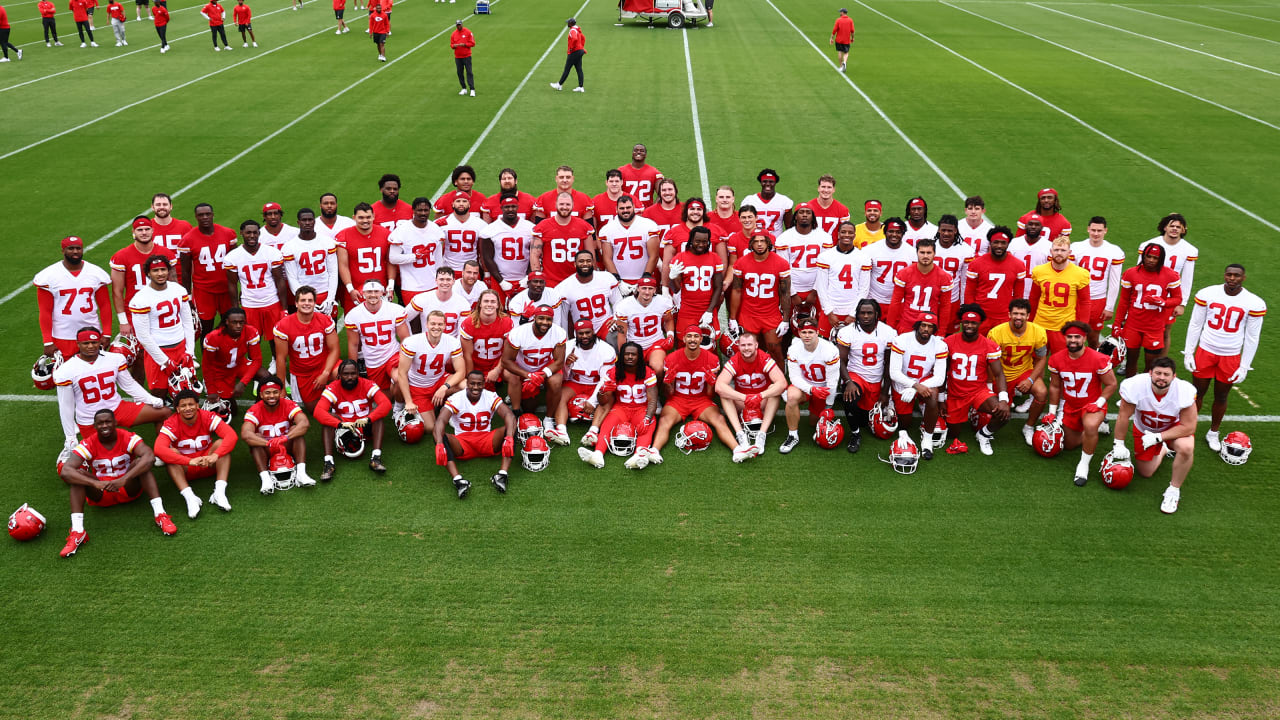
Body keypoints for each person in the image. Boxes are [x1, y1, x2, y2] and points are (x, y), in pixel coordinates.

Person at [58, 409, 178, 557]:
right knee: (78, 476)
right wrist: (96, 484)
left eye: (108, 421)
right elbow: (66, 471)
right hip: (101, 492)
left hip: (127, 487)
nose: (104, 425)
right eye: (100, 423)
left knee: (141, 464)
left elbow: (149, 457)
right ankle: (78, 531)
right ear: (94, 426)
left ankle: (161, 514)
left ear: (115, 422)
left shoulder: (127, 437)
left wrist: (125, 479)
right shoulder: (88, 443)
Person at [1183, 264, 1265, 452]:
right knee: (1197, 393)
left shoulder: (1253, 302)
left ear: (1243, 278)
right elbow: (1195, 323)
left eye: (1237, 275)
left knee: (1221, 395)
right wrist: (1189, 351)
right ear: (1224, 275)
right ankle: (1189, 429)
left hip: (1230, 355)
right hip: (1206, 350)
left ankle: (1213, 432)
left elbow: (1253, 337)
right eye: (1229, 274)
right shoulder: (1208, 294)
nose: (1232, 278)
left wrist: (1244, 365)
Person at [54, 327, 169, 452]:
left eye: (94, 342)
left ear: (100, 342)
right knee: (106, 457)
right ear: (78, 344)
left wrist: (150, 399)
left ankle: (162, 452)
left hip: (117, 408)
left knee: (164, 413)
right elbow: (66, 406)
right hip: (90, 418)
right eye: (86, 343)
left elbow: (129, 385)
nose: (91, 346)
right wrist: (70, 436)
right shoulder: (66, 370)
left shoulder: (114, 359)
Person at [1112, 357, 1196, 514]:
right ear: (1150, 373)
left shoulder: (1184, 391)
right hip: (1144, 430)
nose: (1162, 378)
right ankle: (1163, 449)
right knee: (1146, 472)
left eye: (1166, 374)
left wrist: (1158, 437)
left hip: (1173, 430)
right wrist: (1119, 443)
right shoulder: (1135, 385)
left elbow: (1189, 427)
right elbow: (1123, 416)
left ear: (1174, 376)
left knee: (1186, 447)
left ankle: (1173, 491)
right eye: (1158, 373)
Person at [648, 326, 737, 463]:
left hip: (701, 400)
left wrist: (711, 383)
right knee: (665, 421)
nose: (692, 339)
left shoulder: (712, 359)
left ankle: (737, 449)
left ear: (701, 339)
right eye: (689, 336)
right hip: (678, 399)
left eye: (696, 336)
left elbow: (709, 395)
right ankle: (654, 450)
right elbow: (668, 395)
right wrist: (668, 383)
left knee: (719, 419)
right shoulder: (672, 358)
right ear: (683, 339)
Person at [1043, 322, 1117, 486]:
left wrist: (1099, 403)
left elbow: (1112, 384)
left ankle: (1083, 465)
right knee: (1069, 445)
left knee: (1089, 425)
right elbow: (1055, 386)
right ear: (1065, 338)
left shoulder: (1097, 359)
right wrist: (1052, 412)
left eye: (1077, 337)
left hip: (1092, 404)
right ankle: (1100, 427)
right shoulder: (1056, 359)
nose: (1073, 340)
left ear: (1084, 338)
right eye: (1070, 337)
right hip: (1070, 406)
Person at [155, 389, 238, 518]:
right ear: (177, 409)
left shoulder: (207, 416)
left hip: (209, 463)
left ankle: (219, 492)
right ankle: (190, 497)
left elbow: (231, 436)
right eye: (183, 406)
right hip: (186, 468)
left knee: (222, 444)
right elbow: (159, 449)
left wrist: (214, 455)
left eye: (191, 404)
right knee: (171, 453)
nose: (188, 408)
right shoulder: (172, 423)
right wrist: (188, 461)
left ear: (197, 406)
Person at [434, 371, 518, 497]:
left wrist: (509, 437)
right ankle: (458, 480)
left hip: (487, 440)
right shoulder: (456, 398)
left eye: (479, 384)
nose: (475, 387)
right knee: (440, 435)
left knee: (512, 426)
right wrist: (440, 443)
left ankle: (502, 474)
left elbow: (508, 415)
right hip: (462, 443)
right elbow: (441, 421)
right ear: (467, 383)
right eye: (472, 383)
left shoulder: (490, 396)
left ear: (484, 384)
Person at [941, 305, 1011, 456]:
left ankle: (984, 434)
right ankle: (973, 413)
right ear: (961, 322)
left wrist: (1003, 399)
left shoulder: (988, 345)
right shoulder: (949, 342)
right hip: (955, 393)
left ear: (979, 324)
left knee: (1003, 414)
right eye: (966, 322)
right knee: (953, 433)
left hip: (978, 391)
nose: (969, 326)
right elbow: (942, 372)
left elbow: (999, 374)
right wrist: (942, 398)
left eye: (973, 323)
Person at [580, 342, 659, 469]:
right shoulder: (613, 372)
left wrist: (647, 418)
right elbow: (603, 402)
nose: (630, 357)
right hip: (621, 408)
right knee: (607, 425)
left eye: (633, 354)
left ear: (639, 357)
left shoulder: (648, 372)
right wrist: (602, 391)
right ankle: (598, 454)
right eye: (627, 354)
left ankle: (639, 455)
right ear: (621, 356)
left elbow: (653, 400)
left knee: (646, 427)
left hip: (641, 409)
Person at [35, 236, 112, 360]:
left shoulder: (96, 273)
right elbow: (45, 311)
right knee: (65, 376)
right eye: (71, 248)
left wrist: (107, 333)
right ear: (63, 251)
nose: (75, 252)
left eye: (78, 248)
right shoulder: (49, 276)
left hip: (92, 332)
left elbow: (105, 306)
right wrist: (47, 341)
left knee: (94, 371)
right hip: (63, 335)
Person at [129, 255, 196, 396]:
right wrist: (164, 361)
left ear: (169, 270)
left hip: (180, 346)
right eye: (155, 271)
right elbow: (143, 336)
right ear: (148, 273)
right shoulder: (140, 299)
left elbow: (188, 322)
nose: (160, 274)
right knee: (159, 393)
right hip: (158, 350)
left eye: (163, 269)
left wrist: (189, 351)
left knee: (188, 392)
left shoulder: (178, 290)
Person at [314, 359, 392, 478]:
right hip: (344, 428)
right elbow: (318, 412)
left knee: (377, 416)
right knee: (328, 418)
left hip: (364, 425)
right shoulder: (332, 387)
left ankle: (376, 458)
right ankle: (328, 462)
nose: (350, 377)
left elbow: (386, 404)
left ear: (358, 374)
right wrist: (339, 424)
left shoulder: (367, 384)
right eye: (346, 374)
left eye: (353, 373)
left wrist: (368, 419)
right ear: (339, 375)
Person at [1112, 244, 1180, 377]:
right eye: (1148, 256)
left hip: (1154, 326)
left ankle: (1146, 390)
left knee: (1151, 364)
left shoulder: (1170, 275)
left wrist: (1164, 302)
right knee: (1131, 361)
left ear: (1161, 259)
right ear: (1143, 256)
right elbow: (1124, 301)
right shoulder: (1131, 273)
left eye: (1155, 258)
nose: (1151, 260)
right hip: (1133, 324)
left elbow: (1177, 298)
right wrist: (1117, 323)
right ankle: (1129, 391)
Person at [836, 299, 895, 452]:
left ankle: (862, 421)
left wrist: (885, 392)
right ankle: (855, 435)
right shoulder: (847, 332)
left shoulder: (888, 332)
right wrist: (848, 381)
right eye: (862, 313)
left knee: (864, 420)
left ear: (877, 314)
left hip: (876, 379)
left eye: (870, 313)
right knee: (850, 398)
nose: (866, 316)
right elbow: (841, 361)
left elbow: (889, 364)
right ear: (857, 314)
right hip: (856, 376)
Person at [715, 331, 786, 459]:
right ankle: (740, 434)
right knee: (724, 393)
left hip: (761, 401)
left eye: (749, 345)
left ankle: (761, 435)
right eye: (743, 345)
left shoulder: (764, 358)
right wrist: (745, 398)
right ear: (738, 346)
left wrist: (760, 396)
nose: (746, 348)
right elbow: (719, 386)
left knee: (774, 390)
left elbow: (782, 383)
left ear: (756, 345)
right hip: (744, 401)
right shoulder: (735, 360)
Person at [988, 298, 1048, 444]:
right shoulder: (996, 333)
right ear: (1009, 314)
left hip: (1023, 372)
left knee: (1042, 392)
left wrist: (1030, 380)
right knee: (996, 414)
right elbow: (989, 362)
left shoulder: (1038, 332)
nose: (1018, 317)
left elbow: (1041, 359)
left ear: (1028, 316)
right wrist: (989, 387)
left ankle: (1029, 426)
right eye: (1015, 313)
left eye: (1022, 314)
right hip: (1001, 375)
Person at [887, 314, 947, 459]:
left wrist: (916, 387)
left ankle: (927, 439)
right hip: (903, 382)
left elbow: (939, 377)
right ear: (917, 325)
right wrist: (913, 384)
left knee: (932, 397)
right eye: (923, 325)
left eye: (930, 326)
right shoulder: (902, 340)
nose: (926, 329)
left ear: (934, 329)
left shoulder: (939, 344)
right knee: (904, 424)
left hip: (925, 382)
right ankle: (893, 403)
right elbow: (894, 372)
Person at [241, 376, 315, 493]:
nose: (271, 396)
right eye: (268, 393)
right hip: (267, 447)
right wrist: (268, 443)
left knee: (296, 429)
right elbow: (246, 434)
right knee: (256, 438)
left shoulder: (288, 404)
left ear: (280, 393)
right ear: (261, 395)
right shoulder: (255, 410)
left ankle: (301, 473)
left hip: (286, 444)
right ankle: (265, 479)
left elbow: (304, 423)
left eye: (275, 392)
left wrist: (285, 437)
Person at [728, 232, 791, 367]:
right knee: (750, 350)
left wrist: (785, 319)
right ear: (751, 244)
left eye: (763, 241)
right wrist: (733, 317)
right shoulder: (741, 262)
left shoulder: (781, 263)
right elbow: (737, 290)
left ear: (769, 243)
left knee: (774, 348)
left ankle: (780, 381)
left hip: (771, 313)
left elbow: (785, 293)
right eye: (756, 241)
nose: (760, 244)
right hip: (748, 313)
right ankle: (754, 378)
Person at [272, 286, 340, 411]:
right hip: (303, 373)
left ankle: (343, 398)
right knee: (313, 409)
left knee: (342, 372)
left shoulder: (324, 320)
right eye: (303, 300)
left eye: (310, 300)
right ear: (296, 304)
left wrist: (325, 373)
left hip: (324, 365)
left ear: (315, 303)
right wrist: (281, 388)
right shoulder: (284, 325)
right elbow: (281, 358)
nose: (307, 304)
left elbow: (335, 349)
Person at [223, 219, 288, 349]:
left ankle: (275, 360)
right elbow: (232, 284)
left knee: (276, 337)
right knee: (251, 339)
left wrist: (284, 308)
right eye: (248, 233)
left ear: (259, 233)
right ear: (242, 233)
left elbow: (279, 280)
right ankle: (254, 364)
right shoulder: (232, 257)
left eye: (255, 233)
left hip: (271, 301)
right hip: (249, 303)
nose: (252, 236)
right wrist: (236, 309)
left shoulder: (272, 253)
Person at [779, 318, 840, 454]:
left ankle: (819, 411)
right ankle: (792, 435)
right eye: (804, 332)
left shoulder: (830, 350)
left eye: (811, 332)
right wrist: (811, 389)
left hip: (823, 388)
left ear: (817, 332)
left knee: (813, 423)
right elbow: (794, 377)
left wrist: (829, 405)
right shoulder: (794, 349)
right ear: (799, 333)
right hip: (805, 386)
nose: (807, 335)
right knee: (792, 396)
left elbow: (832, 381)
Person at [110, 216, 176, 341]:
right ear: (133, 232)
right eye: (140, 230)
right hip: (136, 311)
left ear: (152, 230)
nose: (144, 233)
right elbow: (117, 292)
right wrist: (123, 321)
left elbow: (174, 286)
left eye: (147, 229)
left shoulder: (166, 254)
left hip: (162, 308)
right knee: (140, 352)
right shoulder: (121, 256)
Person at [1139, 212, 1198, 349]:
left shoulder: (1189, 250)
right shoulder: (1149, 245)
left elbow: (1187, 278)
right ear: (1164, 227)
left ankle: (1162, 366)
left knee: (1165, 331)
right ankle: (1129, 362)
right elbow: (1139, 271)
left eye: (1178, 226)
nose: (1175, 229)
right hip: (1147, 293)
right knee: (1138, 329)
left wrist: (1182, 303)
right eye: (1172, 226)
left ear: (1183, 229)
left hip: (1170, 297)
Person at [502, 304, 568, 423]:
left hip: (544, 367)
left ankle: (549, 419)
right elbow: (506, 361)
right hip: (523, 368)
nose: (545, 322)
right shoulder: (519, 333)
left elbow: (559, 362)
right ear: (534, 318)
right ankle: (516, 412)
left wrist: (542, 375)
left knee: (556, 381)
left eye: (548, 319)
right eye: (541, 318)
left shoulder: (558, 332)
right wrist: (528, 375)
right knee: (529, 408)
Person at [178, 202, 237, 335]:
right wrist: (187, 296)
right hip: (204, 291)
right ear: (196, 217)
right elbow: (185, 272)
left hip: (226, 288)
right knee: (205, 328)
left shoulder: (228, 234)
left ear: (213, 215)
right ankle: (207, 355)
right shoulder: (187, 240)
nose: (204, 217)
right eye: (201, 215)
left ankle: (226, 354)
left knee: (230, 325)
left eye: (207, 214)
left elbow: (238, 263)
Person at [1069, 216, 1125, 348]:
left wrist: (1109, 307)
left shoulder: (1114, 251)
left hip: (1098, 299)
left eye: (1099, 230)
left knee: (1093, 339)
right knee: (1073, 335)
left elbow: (1114, 281)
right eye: (1093, 230)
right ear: (1088, 229)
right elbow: (1069, 275)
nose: (1096, 233)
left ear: (1105, 230)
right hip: (1077, 298)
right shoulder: (1076, 248)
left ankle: (1092, 363)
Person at [343, 280, 409, 393]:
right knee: (386, 397)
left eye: (376, 291)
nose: (373, 295)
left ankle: (399, 406)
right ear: (363, 294)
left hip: (393, 354)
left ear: (382, 293)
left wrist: (404, 360)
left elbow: (405, 339)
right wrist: (352, 367)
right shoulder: (353, 315)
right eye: (369, 292)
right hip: (373, 361)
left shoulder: (394, 310)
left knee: (399, 379)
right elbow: (353, 344)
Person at [557, 319, 616, 444]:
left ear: (593, 332)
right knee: (559, 395)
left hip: (597, 383)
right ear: (575, 333)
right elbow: (564, 377)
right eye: (581, 333)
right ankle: (561, 431)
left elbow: (605, 379)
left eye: (587, 333)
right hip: (576, 382)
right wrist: (567, 365)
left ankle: (593, 431)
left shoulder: (606, 349)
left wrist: (592, 401)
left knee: (607, 396)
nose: (584, 336)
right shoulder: (568, 346)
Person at [1028, 236, 1091, 354]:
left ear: (1069, 252)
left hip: (1064, 326)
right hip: (1041, 324)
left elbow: (1085, 302)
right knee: (1036, 360)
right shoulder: (1039, 271)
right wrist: (1030, 322)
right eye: (1056, 250)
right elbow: (1034, 298)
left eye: (1063, 250)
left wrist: (1082, 327)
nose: (1059, 253)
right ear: (1051, 251)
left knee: (1062, 362)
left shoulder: (1080, 274)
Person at [964, 227, 1026, 335]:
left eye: (1003, 243)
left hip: (1004, 316)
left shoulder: (1018, 265)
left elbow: (1018, 296)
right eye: (995, 242)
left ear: (1008, 244)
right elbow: (969, 292)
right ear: (990, 243)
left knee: (1002, 349)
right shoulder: (976, 264)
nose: (999, 246)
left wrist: (1015, 314)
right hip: (982, 315)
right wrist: (972, 313)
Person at [201, 307, 263, 415]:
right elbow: (207, 365)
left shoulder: (250, 331)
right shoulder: (214, 337)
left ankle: (259, 411)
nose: (238, 326)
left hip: (239, 365)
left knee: (265, 377)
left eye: (241, 322)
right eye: (234, 322)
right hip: (220, 371)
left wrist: (243, 383)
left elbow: (257, 360)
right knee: (231, 411)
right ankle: (211, 387)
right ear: (227, 322)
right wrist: (211, 390)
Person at [336, 202, 394, 312]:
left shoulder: (386, 234)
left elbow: (390, 261)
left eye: (368, 217)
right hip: (356, 290)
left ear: (373, 216)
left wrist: (390, 285)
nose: (365, 221)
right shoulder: (344, 236)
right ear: (354, 218)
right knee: (355, 325)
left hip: (380, 288)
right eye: (361, 217)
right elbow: (343, 266)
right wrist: (350, 289)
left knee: (383, 323)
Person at [886, 238, 953, 334]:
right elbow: (895, 302)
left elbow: (945, 307)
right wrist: (890, 328)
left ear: (934, 254)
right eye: (922, 252)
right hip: (907, 324)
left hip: (929, 325)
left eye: (929, 253)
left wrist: (941, 331)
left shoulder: (944, 277)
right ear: (917, 253)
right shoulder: (904, 273)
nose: (925, 256)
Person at [388, 197, 443, 312]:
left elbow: (438, 260)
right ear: (413, 210)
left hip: (432, 284)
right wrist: (414, 256)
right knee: (414, 324)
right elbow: (392, 258)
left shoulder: (436, 229)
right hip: (411, 285)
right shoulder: (402, 231)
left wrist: (440, 280)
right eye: (419, 210)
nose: (423, 213)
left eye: (426, 210)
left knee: (433, 320)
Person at [280, 208, 339, 314]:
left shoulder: (327, 242)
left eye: (310, 220)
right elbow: (292, 278)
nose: (307, 223)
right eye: (304, 220)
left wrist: (330, 298)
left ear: (314, 221)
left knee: (330, 328)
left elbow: (333, 272)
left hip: (325, 292)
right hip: (304, 293)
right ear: (298, 222)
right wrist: (305, 299)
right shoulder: (289, 247)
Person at [774, 203, 832, 311]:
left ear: (813, 217)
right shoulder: (784, 238)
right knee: (789, 323)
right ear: (795, 216)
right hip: (792, 288)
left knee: (817, 323)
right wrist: (792, 293)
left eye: (808, 212)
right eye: (801, 212)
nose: (804, 215)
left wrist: (815, 291)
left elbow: (825, 268)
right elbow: (783, 269)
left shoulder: (824, 237)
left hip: (818, 289)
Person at [531, 191, 595, 287]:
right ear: (555, 204)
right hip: (551, 282)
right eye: (561, 204)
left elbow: (591, 256)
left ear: (573, 205)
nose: (564, 207)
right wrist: (538, 278)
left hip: (577, 280)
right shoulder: (543, 227)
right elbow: (534, 255)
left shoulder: (584, 226)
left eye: (568, 204)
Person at [614, 275, 674, 376]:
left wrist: (670, 335)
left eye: (650, 288)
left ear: (655, 290)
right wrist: (623, 354)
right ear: (638, 288)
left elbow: (668, 320)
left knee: (658, 368)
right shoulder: (625, 305)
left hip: (655, 342)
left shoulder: (663, 302)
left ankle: (657, 389)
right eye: (644, 288)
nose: (647, 292)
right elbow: (622, 334)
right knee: (633, 373)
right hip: (634, 344)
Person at [668, 227, 724, 332]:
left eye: (705, 242)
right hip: (687, 309)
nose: (701, 245)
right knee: (684, 341)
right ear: (691, 240)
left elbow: (718, 287)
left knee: (709, 344)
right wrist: (671, 278)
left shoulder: (714, 257)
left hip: (707, 306)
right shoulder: (680, 258)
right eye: (697, 241)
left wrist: (710, 310)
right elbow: (675, 290)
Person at [559, 249, 621, 339]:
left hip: (605, 324)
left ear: (593, 263)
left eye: (588, 261)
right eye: (581, 261)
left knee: (616, 335)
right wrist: (565, 340)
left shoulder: (606, 278)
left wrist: (616, 318)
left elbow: (618, 301)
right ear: (575, 264)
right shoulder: (564, 287)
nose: (585, 264)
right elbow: (563, 318)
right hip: (582, 328)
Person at [459, 289, 513, 389]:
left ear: (498, 305)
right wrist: (471, 375)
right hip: (476, 364)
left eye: (493, 302)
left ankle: (515, 404)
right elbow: (468, 355)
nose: (489, 304)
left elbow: (507, 352)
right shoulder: (469, 323)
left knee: (512, 375)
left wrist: (497, 370)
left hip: (498, 363)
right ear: (480, 304)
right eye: (486, 301)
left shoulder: (506, 322)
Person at [860, 217, 912, 308]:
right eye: (891, 231)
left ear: (903, 234)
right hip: (874, 300)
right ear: (885, 232)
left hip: (900, 302)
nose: (894, 235)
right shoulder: (869, 250)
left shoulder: (912, 253)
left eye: (898, 232)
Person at [405, 266, 471, 336]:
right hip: (427, 344)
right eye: (441, 279)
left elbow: (462, 333)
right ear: (436, 280)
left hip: (451, 344)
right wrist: (410, 339)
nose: (445, 283)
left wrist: (456, 345)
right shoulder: (422, 299)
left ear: (453, 281)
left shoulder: (462, 303)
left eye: (448, 279)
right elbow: (403, 319)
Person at [437, 194, 488, 273]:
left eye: (464, 201)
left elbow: (484, 251)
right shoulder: (442, 222)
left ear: (469, 204)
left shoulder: (480, 224)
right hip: (448, 269)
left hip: (471, 270)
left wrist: (486, 272)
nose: (461, 204)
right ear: (452, 204)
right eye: (458, 201)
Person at [1008, 214, 1049, 299]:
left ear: (1042, 227)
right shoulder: (1014, 243)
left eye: (1037, 225)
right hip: (1015, 290)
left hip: (1037, 292)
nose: (1033, 227)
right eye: (1030, 224)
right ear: (1025, 226)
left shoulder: (1049, 246)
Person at [746, 169, 793, 236]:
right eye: (764, 181)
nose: (768, 184)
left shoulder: (784, 201)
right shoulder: (749, 200)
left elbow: (789, 228)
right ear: (760, 182)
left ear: (775, 183)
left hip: (776, 242)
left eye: (771, 182)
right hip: (755, 241)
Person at [807, 175, 849, 240]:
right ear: (818, 188)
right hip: (812, 248)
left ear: (833, 189)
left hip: (833, 248)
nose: (826, 190)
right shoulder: (808, 208)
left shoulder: (843, 210)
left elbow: (845, 235)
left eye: (829, 187)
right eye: (823, 187)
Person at [550, 17, 585, 92]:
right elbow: (583, 38)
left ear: (571, 24)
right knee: (579, 69)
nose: (567, 24)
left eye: (568, 23)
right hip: (580, 51)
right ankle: (581, 87)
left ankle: (559, 85)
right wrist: (581, 47)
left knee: (567, 69)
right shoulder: (577, 30)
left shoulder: (572, 30)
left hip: (574, 52)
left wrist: (571, 48)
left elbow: (574, 39)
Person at [451, 19, 475, 96]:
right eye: (457, 25)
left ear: (462, 24)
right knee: (459, 73)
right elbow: (451, 44)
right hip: (458, 57)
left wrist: (464, 44)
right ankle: (464, 88)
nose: (459, 26)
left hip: (467, 56)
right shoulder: (453, 34)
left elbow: (473, 43)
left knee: (469, 72)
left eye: (460, 25)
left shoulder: (468, 32)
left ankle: (472, 89)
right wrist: (453, 46)